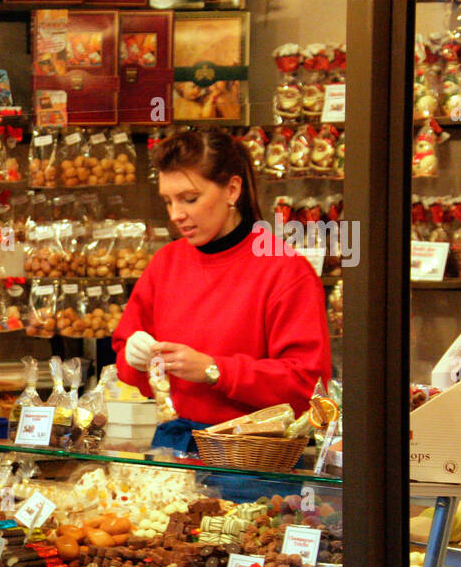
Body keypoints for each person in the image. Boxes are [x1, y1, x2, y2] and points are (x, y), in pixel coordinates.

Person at [112, 129, 332, 455]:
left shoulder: (285, 270)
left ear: (232, 189)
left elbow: (308, 386)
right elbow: (124, 358)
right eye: (168, 201)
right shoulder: (165, 263)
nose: (176, 214)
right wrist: (135, 360)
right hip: (173, 447)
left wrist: (216, 371)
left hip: (253, 455)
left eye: (189, 198)